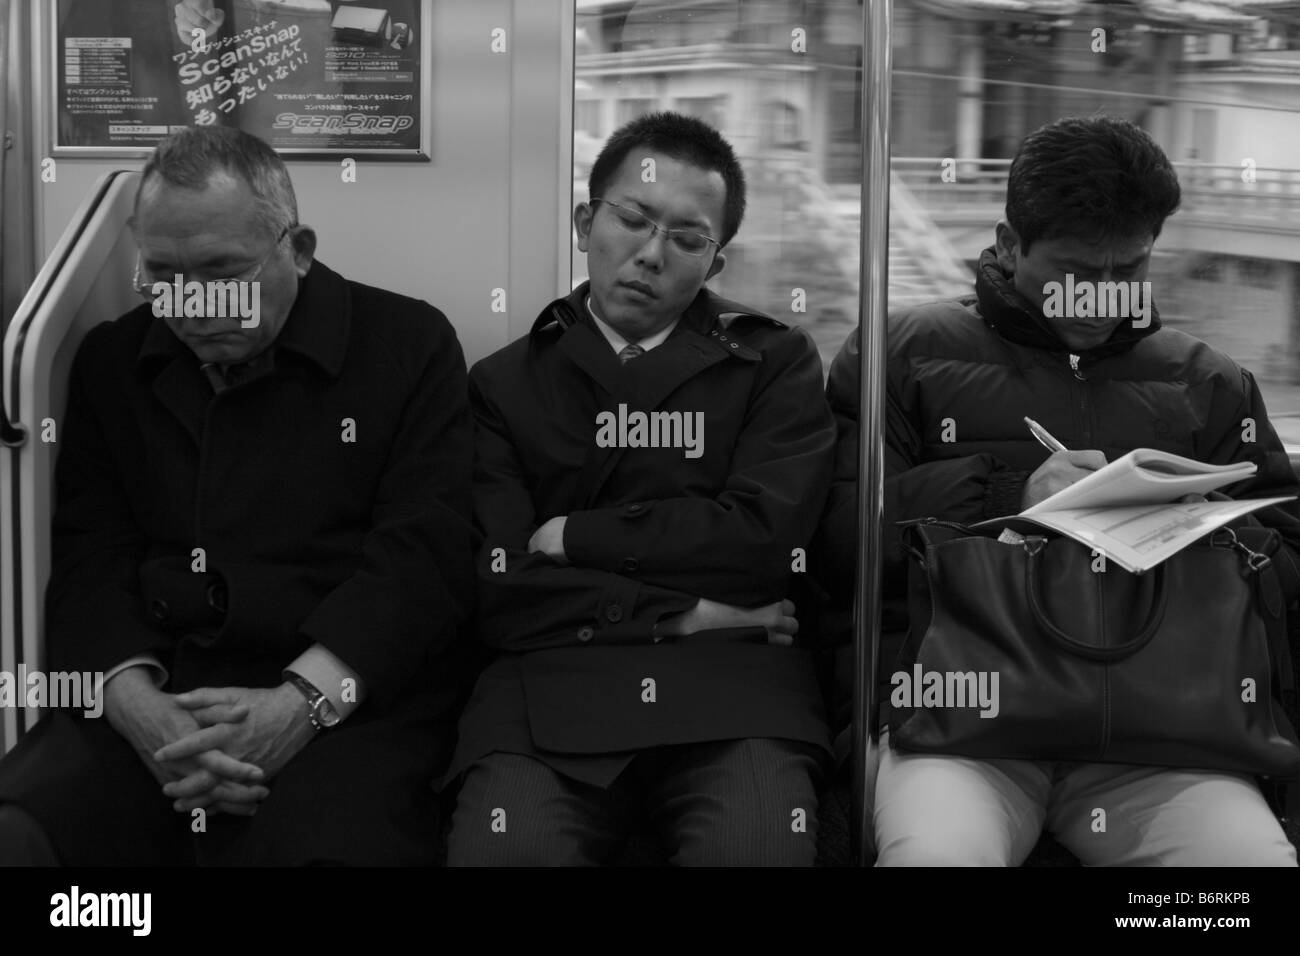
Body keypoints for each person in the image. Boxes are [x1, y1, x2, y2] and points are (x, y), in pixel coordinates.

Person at [823, 115, 1300, 866]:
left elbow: (1287, 567)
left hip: (1162, 730)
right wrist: (1006, 496)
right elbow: (835, 540)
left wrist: (1217, 533)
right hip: (963, 719)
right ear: (1010, 245)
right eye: (1077, 272)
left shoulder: (1209, 383)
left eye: (1129, 271)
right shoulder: (899, 358)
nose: (1102, 299)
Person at [0, 125, 475, 865]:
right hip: (165, 680)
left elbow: (424, 558)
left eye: (223, 272)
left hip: (344, 692)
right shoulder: (114, 360)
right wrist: (134, 705)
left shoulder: (407, 344)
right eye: (163, 274)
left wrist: (302, 704)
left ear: (298, 248)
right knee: (24, 829)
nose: (192, 306)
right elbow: (92, 554)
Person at [444, 111, 836, 866]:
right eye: (632, 220)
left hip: (736, 689)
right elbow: (500, 584)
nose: (651, 255)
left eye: (687, 240)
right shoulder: (504, 384)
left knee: (754, 849)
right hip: (553, 684)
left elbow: (764, 541)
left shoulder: (774, 363)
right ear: (585, 223)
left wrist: (577, 536)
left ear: (714, 266)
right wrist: (687, 614)